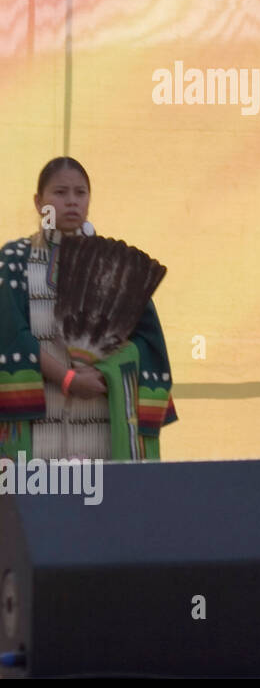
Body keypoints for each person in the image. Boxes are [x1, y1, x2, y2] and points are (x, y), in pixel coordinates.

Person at [0, 157, 176, 461]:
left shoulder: (116, 267)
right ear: (38, 201)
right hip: (37, 426)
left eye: (80, 193)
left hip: (102, 422)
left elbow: (149, 345)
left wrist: (106, 369)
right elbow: (10, 336)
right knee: (36, 506)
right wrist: (68, 379)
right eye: (60, 193)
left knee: (100, 505)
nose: (71, 202)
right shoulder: (15, 261)